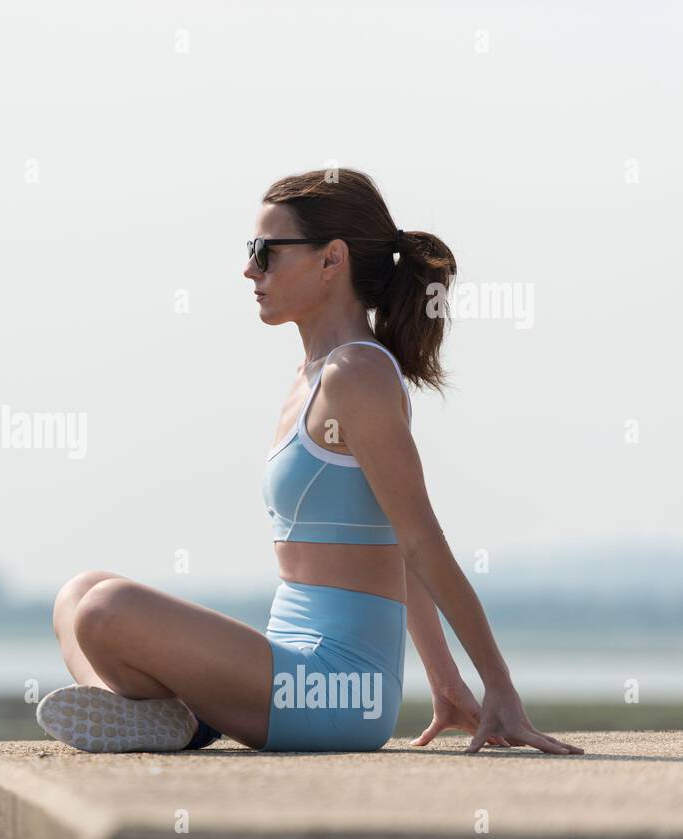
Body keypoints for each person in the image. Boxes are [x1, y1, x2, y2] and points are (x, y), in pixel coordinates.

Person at [36, 168, 583, 756]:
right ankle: (160, 719)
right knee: (78, 594)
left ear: (332, 260)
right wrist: (446, 685)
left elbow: (421, 541)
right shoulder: (314, 376)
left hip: (340, 690)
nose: (250, 269)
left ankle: (182, 719)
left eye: (265, 252)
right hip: (289, 664)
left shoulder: (358, 375)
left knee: (105, 609)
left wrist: (496, 686)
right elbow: (393, 547)